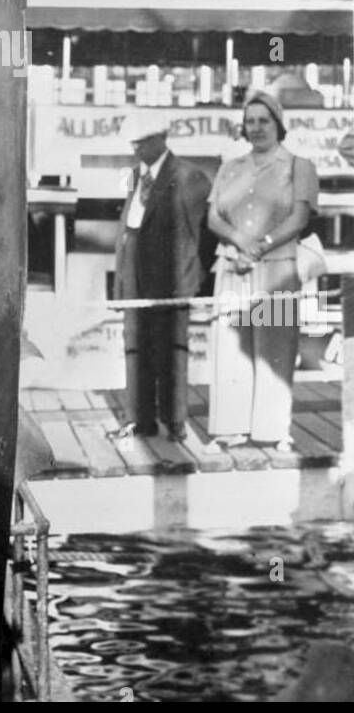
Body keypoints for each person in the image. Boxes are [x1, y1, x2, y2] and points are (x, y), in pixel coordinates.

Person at [207, 89, 319, 451]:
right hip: (232, 266)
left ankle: (272, 431)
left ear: (279, 124)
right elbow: (213, 217)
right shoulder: (230, 167)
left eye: (263, 121)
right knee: (230, 347)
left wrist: (261, 245)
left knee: (275, 348)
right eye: (250, 121)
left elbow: (299, 217)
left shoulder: (299, 166)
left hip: (278, 270)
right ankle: (230, 427)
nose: (256, 128)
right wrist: (240, 241)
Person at [113, 111, 211, 443]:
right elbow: (127, 230)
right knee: (135, 348)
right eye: (133, 143)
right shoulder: (133, 177)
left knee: (172, 350)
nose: (136, 149)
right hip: (134, 278)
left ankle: (175, 421)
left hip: (170, 280)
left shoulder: (188, 176)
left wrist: (190, 280)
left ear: (161, 139)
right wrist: (120, 283)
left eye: (142, 142)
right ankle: (140, 419)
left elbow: (200, 235)